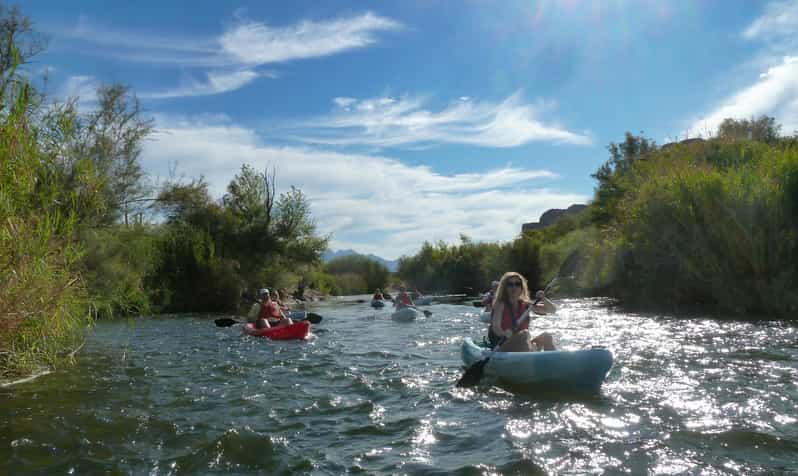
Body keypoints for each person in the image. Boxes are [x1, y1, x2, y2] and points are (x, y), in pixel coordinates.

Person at [489, 272, 556, 352]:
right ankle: (531, 354)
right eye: (510, 284)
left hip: (523, 345)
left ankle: (552, 361)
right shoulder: (500, 304)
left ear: (521, 287)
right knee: (524, 334)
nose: (514, 287)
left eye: (517, 284)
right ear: (504, 287)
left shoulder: (526, 304)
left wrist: (543, 298)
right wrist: (503, 333)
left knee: (546, 336)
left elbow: (552, 310)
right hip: (503, 345)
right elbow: (496, 327)